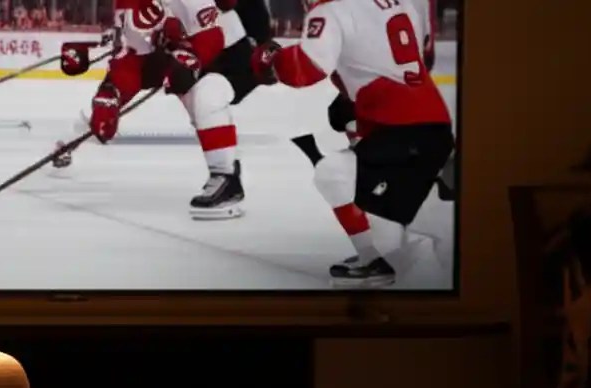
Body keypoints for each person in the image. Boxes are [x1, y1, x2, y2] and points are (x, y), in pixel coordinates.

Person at [252, 0, 453, 287]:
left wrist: (273, 61)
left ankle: (378, 260)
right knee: (432, 220)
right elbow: (425, 56)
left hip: (398, 130)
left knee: (334, 173)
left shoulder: (331, 9)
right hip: (431, 123)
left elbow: (304, 70)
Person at [59, 0, 273, 220]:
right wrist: (112, 95)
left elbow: (212, 35)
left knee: (207, 96)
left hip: (233, 56)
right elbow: (133, 58)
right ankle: (224, 167)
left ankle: (226, 178)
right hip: (193, 55)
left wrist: (191, 58)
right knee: (199, 103)